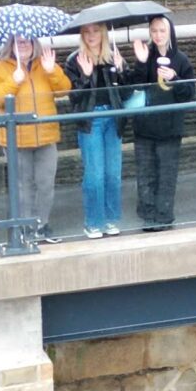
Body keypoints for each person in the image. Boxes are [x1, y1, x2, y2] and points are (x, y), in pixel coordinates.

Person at [0, 34, 72, 239]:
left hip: (45, 135)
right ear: (11, 45)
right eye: (19, 41)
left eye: (27, 41)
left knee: (45, 183)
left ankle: (42, 224)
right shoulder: (1, 68)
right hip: (17, 138)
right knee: (22, 186)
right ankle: (24, 226)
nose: (23, 45)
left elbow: (64, 89)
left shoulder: (45, 64)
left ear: (34, 44)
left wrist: (52, 73)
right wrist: (13, 81)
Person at [122, 14, 196, 230]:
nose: (157, 35)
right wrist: (141, 62)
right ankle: (147, 214)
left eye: (162, 30)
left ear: (170, 32)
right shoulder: (146, 55)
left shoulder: (181, 60)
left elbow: (189, 93)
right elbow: (134, 88)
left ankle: (164, 216)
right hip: (145, 128)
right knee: (145, 174)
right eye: (153, 31)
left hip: (170, 129)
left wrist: (175, 78)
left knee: (166, 175)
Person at [66, 21, 128, 238]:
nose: (91, 35)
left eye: (95, 31)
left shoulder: (113, 57)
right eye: (86, 32)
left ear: (103, 33)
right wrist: (84, 76)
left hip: (113, 118)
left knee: (113, 173)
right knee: (94, 174)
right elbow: (73, 97)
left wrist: (121, 72)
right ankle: (94, 222)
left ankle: (111, 220)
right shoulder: (75, 60)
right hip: (91, 120)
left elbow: (126, 92)